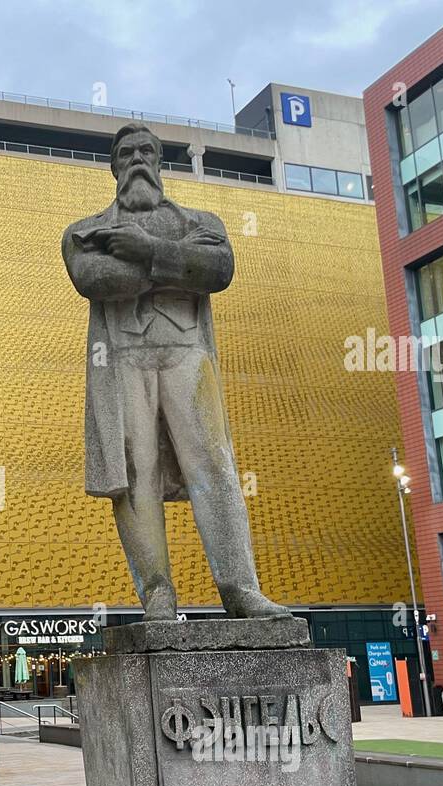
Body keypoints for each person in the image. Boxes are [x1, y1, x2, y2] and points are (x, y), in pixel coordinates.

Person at [62, 123, 287, 620]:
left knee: (214, 467)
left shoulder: (203, 220)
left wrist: (145, 252)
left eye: (147, 151)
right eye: (127, 153)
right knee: (135, 473)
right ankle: (158, 596)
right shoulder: (82, 232)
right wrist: (179, 264)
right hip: (122, 360)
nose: (138, 159)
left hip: (188, 355)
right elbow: (96, 279)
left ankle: (240, 589)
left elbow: (219, 270)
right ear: (114, 166)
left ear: (161, 162)